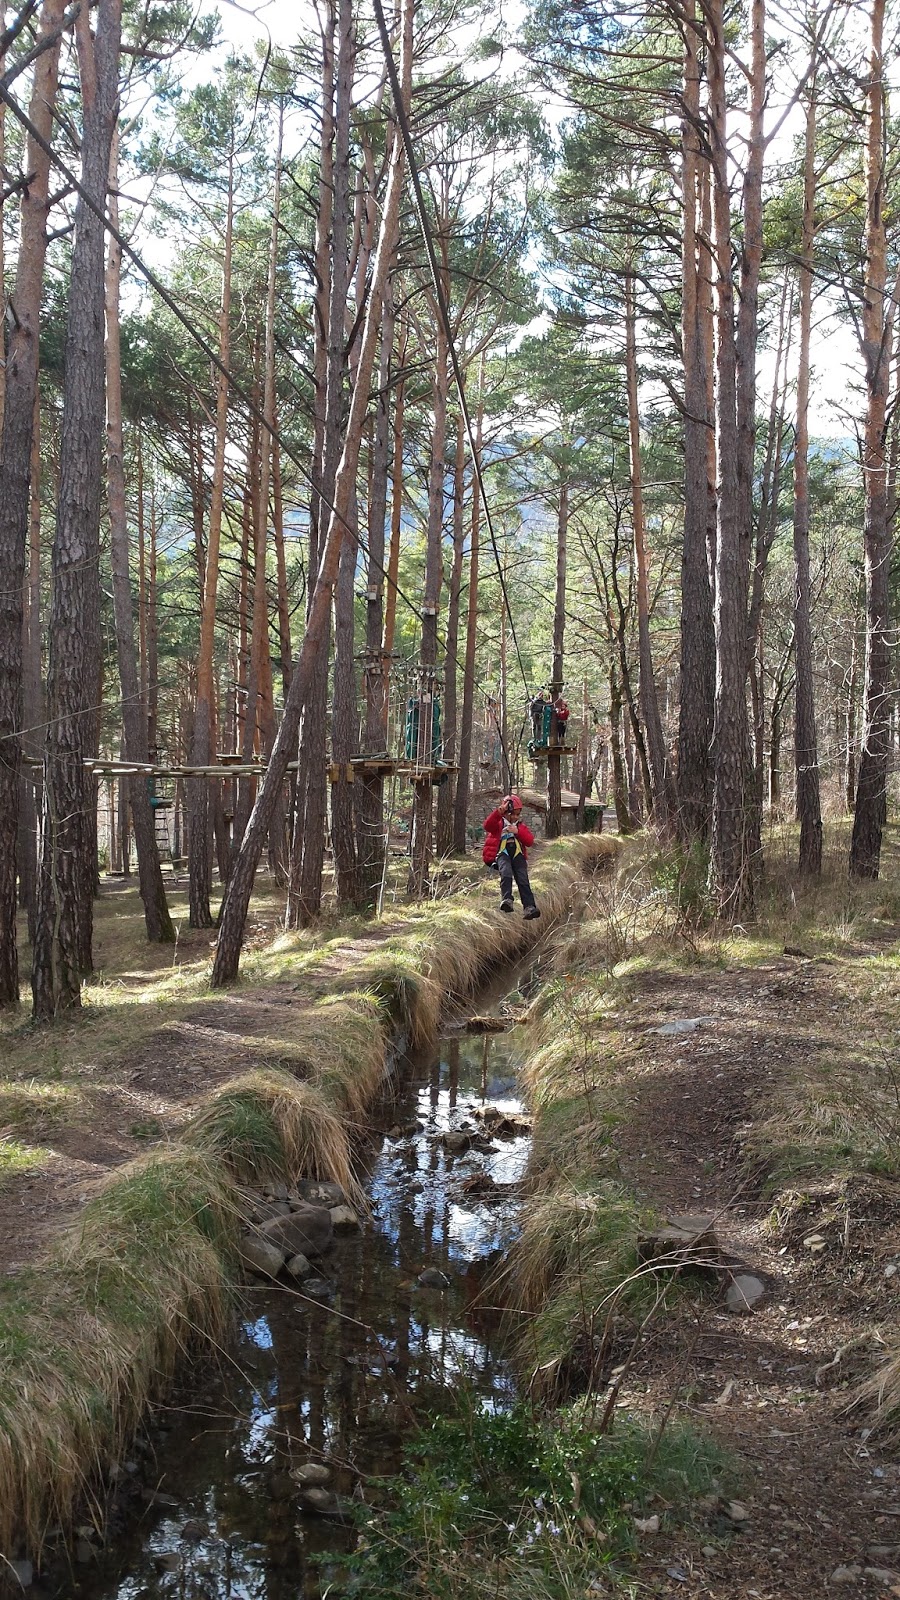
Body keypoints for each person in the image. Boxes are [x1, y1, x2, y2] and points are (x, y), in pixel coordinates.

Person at [482, 794, 540, 918]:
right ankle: (507, 899)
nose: (514, 817)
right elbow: (487, 826)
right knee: (506, 872)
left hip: (517, 854)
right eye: (512, 814)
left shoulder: (520, 826)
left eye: (517, 815)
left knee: (523, 878)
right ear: (505, 813)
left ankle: (529, 907)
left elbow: (529, 841)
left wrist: (518, 832)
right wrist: (499, 811)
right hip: (502, 853)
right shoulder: (498, 823)